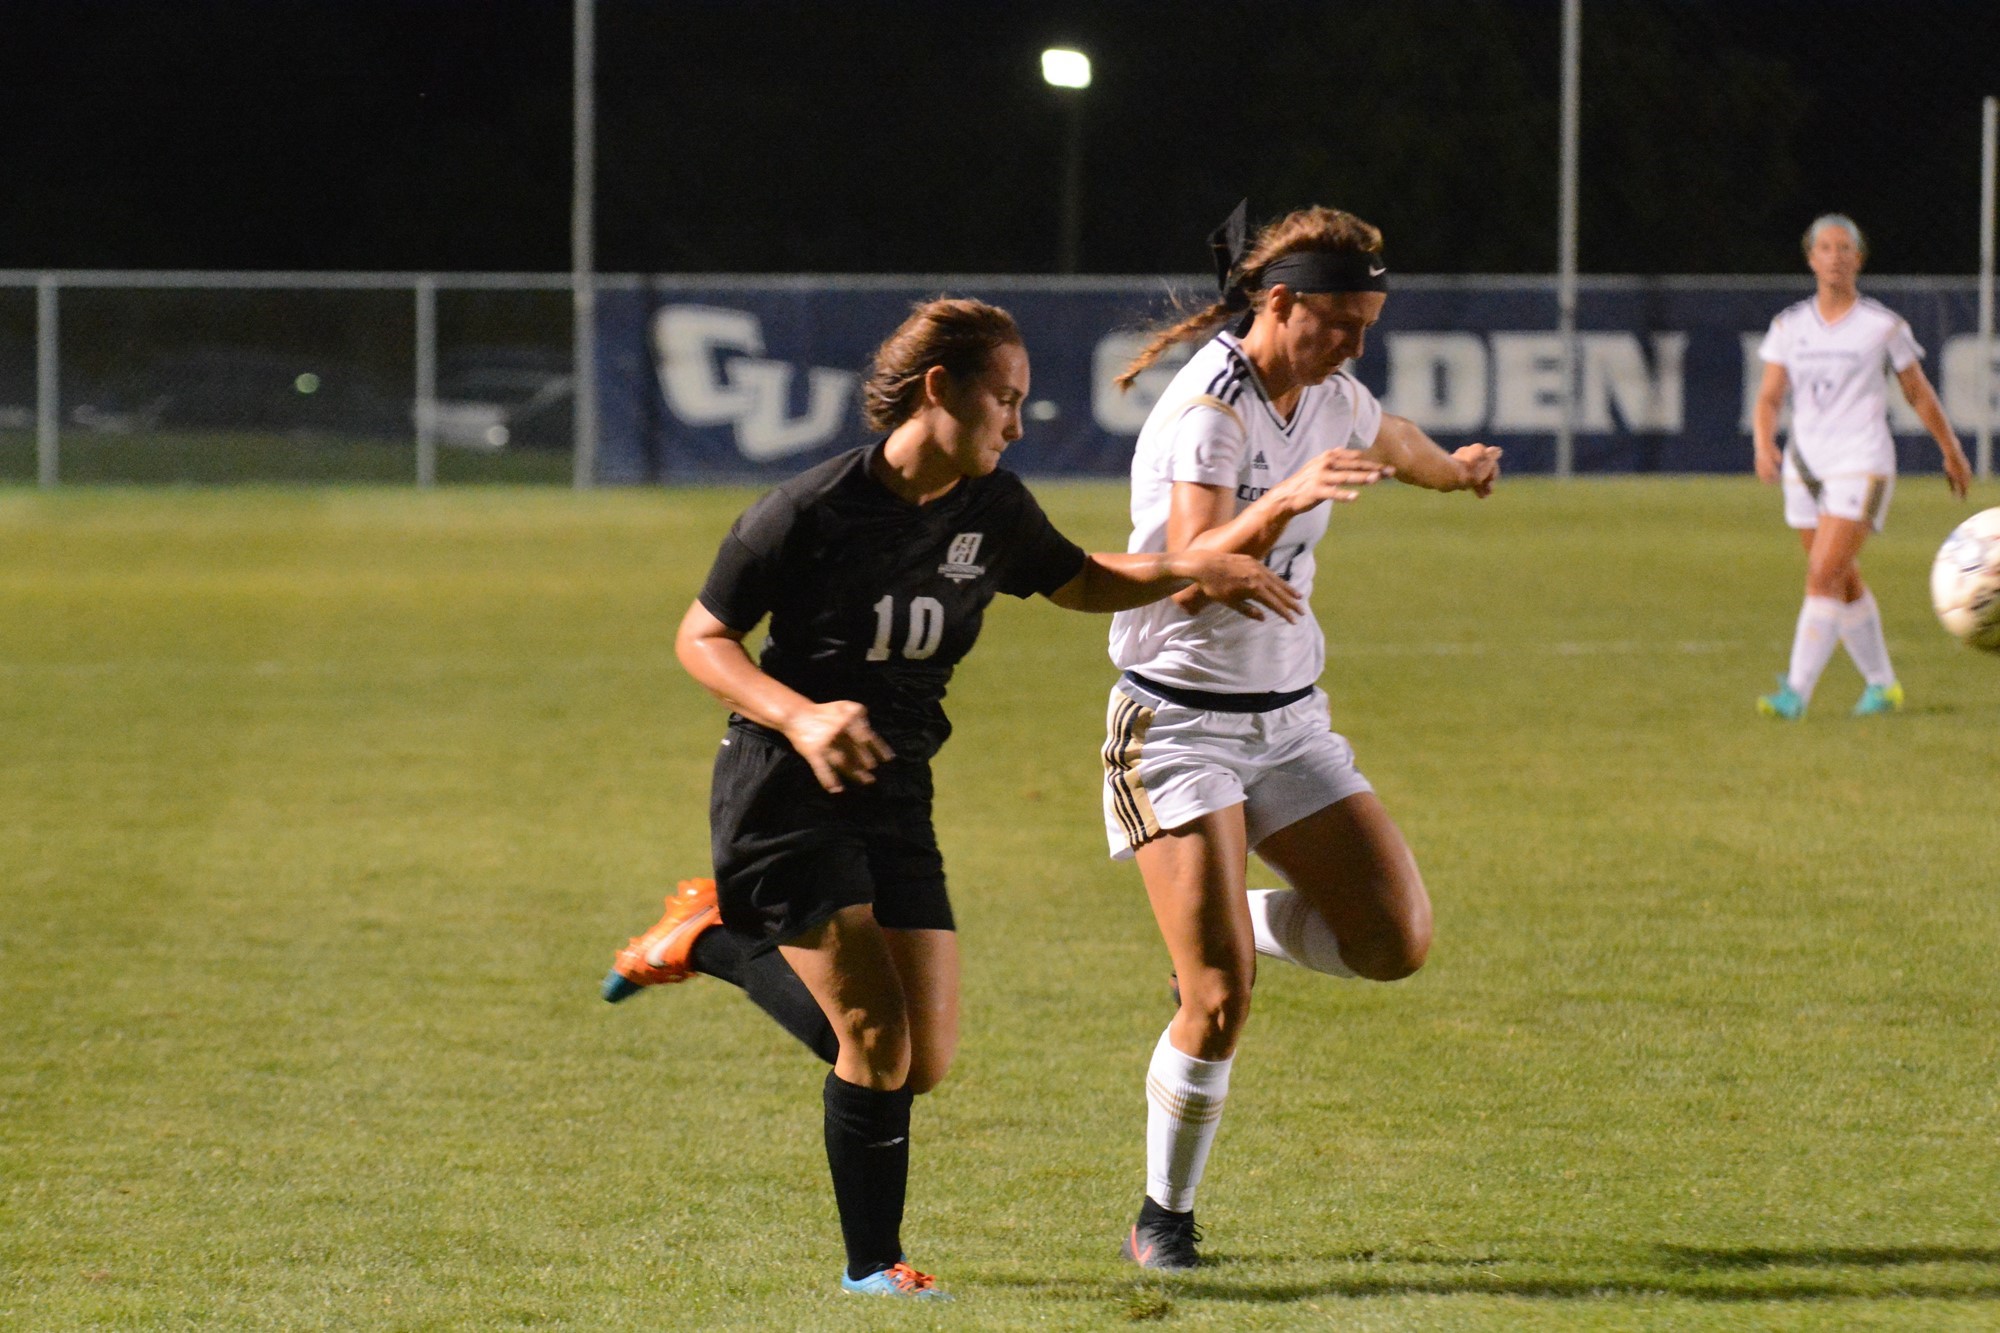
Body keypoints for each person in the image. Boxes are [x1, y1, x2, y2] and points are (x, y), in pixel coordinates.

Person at [603, 297, 1309, 1300]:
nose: (1017, 423)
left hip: (896, 788)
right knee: (875, 1041)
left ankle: (707, 936)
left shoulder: (992, 508)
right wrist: (802, 717)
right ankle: (870, 1268)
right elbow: (700, 638)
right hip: (784, 786)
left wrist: (1185, 568)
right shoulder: (807, 509)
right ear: (940, 390)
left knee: (917, 1056)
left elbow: (1077, 580)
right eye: (1005, 400)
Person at [1102, 202, 1501, 1271]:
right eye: (1339, 321)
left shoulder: (1327, 391)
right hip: (1176, 723)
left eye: (1368, 323)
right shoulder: (1210, 412)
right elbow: (1189, 573)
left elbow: (1388, 436)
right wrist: (1280, 501)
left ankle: (1214, 913)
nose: (1354, 345)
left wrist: (1455, 469)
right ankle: (1162, 1219)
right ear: (1277, 303)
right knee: (1219, 999)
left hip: (1287, 723)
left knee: (1392, 943)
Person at [1752, 213, 1972, 719]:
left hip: (1862, 462)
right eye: (1825, 248)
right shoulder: (1790, 326)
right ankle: (1883, 685)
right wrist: (1764, 445)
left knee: (1822, 573)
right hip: (1806, 465)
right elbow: (1768, 397)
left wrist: (1951, 448)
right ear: (1811, 259)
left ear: (1859, 258)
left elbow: (1916, 390)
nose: (1835, 256)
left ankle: (1796, 693)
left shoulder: (1881, 326)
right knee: (1841, 576)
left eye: (1844, 248)